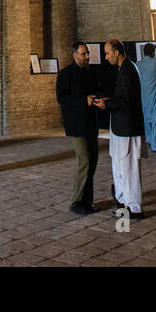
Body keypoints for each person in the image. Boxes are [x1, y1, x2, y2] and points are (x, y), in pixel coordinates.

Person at [95, 40, 145, 218]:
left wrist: (106, 105)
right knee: (119, 167)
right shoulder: (124, 69)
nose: (106, 57)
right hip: (120, 127)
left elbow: (126, 101)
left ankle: (134, 208)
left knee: (129, 169)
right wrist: (109, 101)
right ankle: (123, 200)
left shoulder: (128, 71)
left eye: (108, 53)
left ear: (117, 53)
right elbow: (123, 96)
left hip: (127, 128)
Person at [55, 41, 100, 215]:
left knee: (92, 161)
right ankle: (76, 201)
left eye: (87, 53)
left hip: (91, 123)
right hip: (77, 125)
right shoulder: (66, 74)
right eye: (83, 54)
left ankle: (87, 200)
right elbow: (61, 98)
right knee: (84, 161)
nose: (87, 56)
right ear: (75, 55)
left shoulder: (91, 72)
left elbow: (97, 89)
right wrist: (83, 100)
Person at [135, 42, 156, 152]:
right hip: (155, 95)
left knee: (147, 119)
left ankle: (150, 140)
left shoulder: (138, 64)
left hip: (144, 96)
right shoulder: (155, 62)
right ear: (152, 52)